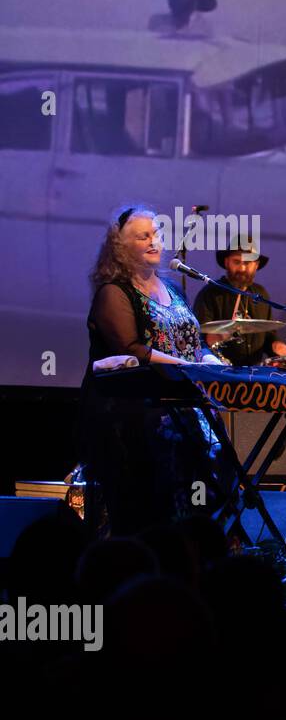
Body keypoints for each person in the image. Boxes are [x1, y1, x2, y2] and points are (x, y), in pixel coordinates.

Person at [81, 204, 225, 536]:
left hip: (186, 415)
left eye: (156, 234)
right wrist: (186, 366)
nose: (153, 241)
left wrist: (207, 360)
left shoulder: (172, 290)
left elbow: (192, 341)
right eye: (142, 236)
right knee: (150, 517)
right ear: (120, 246)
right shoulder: (114, 293)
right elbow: (131, 350)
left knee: (196, 512)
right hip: (138, 423)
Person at [192, 244, 286, 366]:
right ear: (227, 262)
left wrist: (277, 347)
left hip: (254, 372)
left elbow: (268, 337)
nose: (242, 268)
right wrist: (223, 333)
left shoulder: (261, 295)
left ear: (256, 265)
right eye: (236, 262)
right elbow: (198, 338)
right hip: (219, 371)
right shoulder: (210, 294)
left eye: (248, 262)